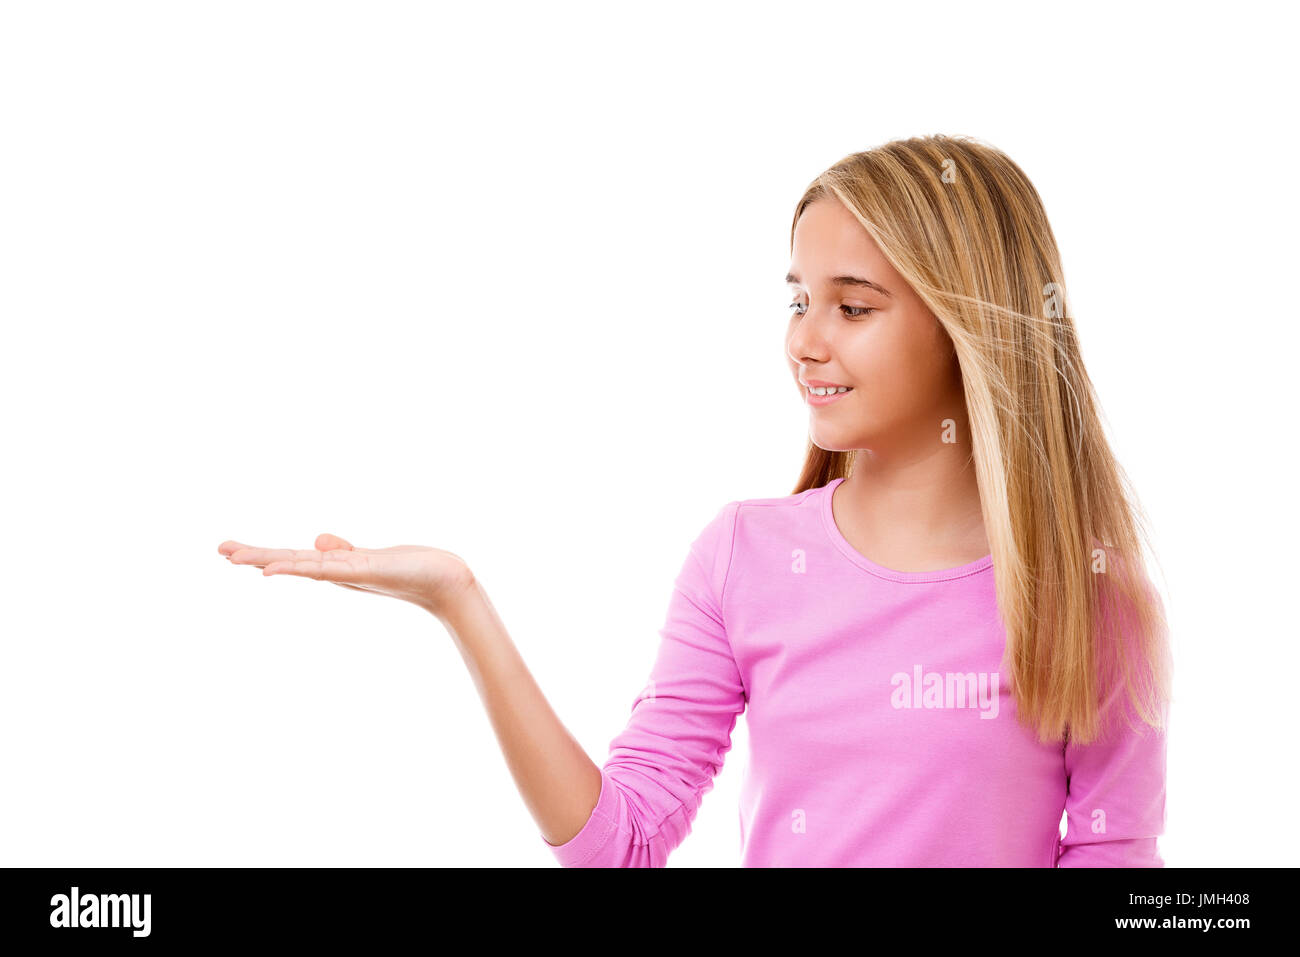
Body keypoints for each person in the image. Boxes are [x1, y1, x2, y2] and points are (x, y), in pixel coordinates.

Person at [218, 134, 1172, 867]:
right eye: (796, 298)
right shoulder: (744, 558)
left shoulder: (1093, 600)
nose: (806, 340)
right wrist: (457, 599)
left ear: (964, 326)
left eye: (854, 305)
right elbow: (622, 841)